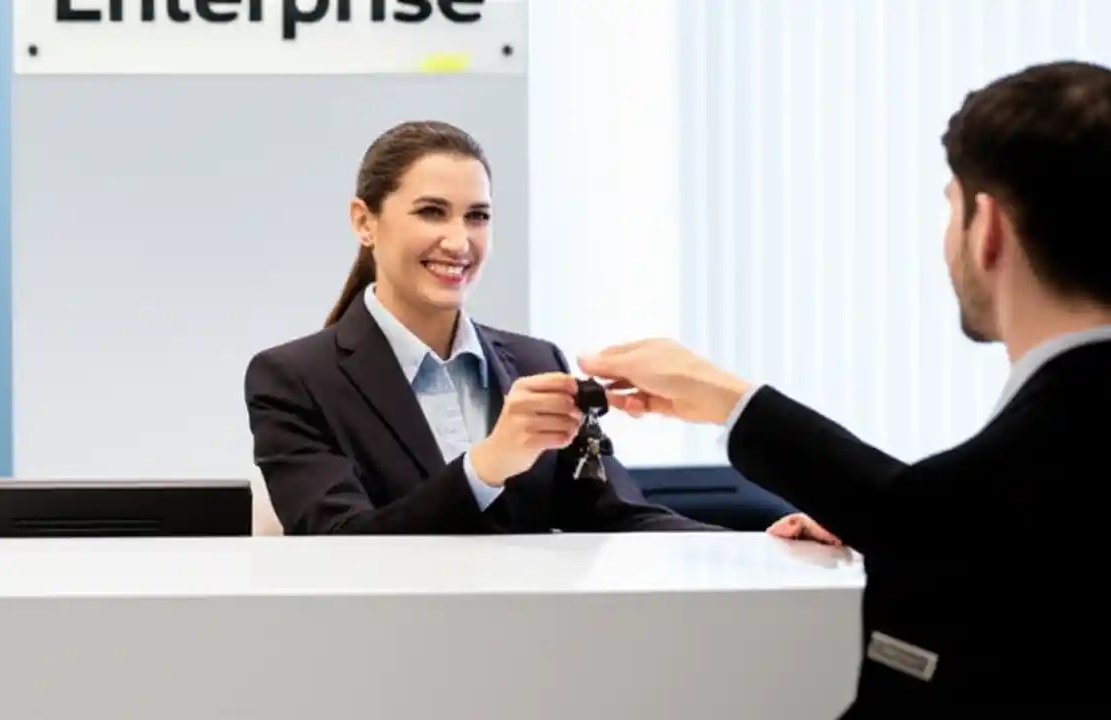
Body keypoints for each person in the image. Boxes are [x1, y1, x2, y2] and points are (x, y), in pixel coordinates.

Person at [579, 62, 1111, 714]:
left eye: (952, 210)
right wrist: (733, 403)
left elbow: (964, 527)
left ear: (989, 230)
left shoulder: (972, 517)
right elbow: (981, 516)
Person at [244, 120, 746, 535]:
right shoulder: (293, 380)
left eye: (478, 216)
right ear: (364, 222)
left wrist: (761, 544)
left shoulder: (536, 361)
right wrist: (485, 467)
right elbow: (340, 543)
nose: (459, 241)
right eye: (431, 212)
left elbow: (617, 514)